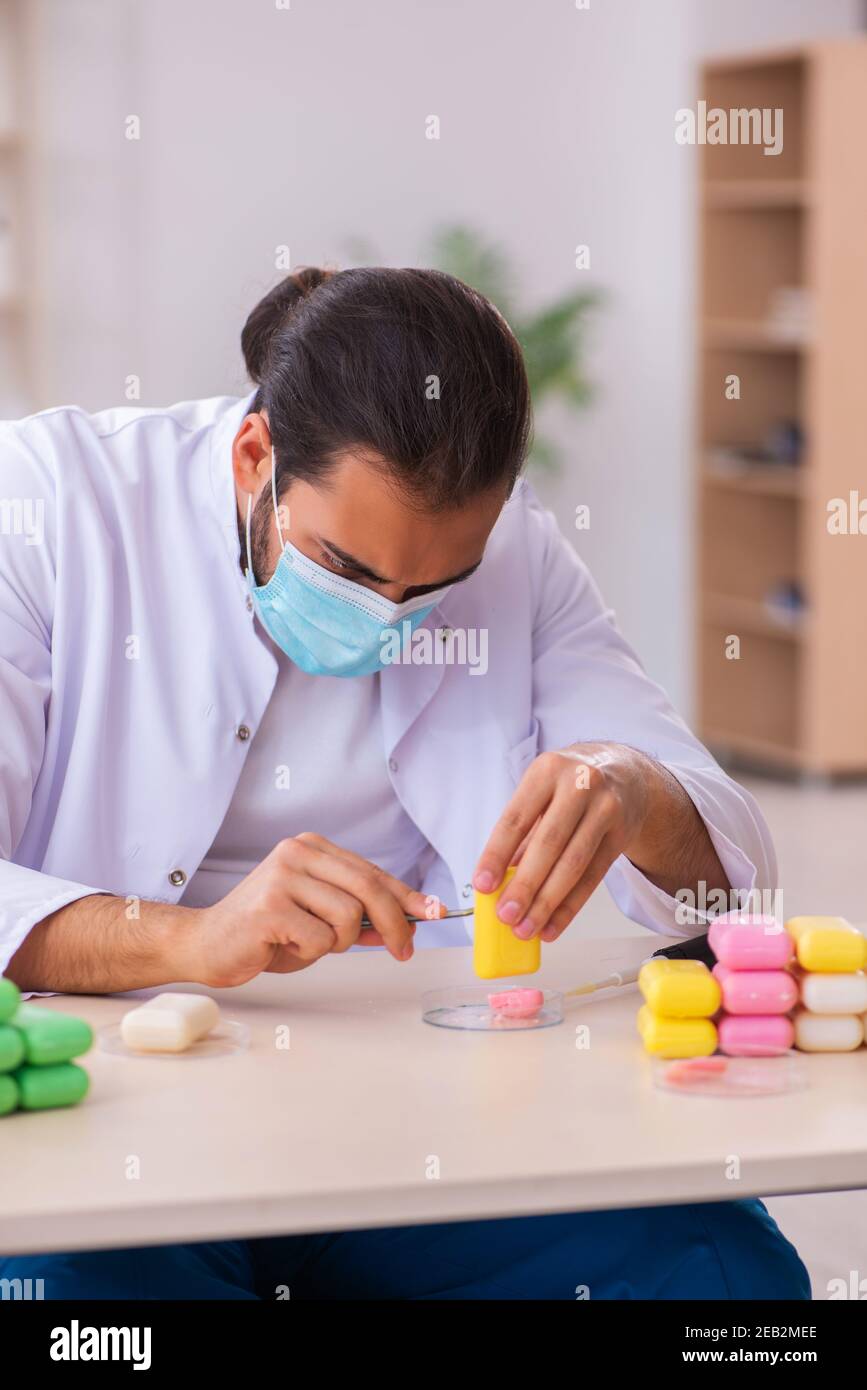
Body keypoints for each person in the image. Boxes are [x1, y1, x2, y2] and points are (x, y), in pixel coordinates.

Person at [0, 266, 808, 1299]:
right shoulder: (52, 507)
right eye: (347, 568)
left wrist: (631, 787)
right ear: (257, 459)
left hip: (438, 1118)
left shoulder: (518, 557)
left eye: (433, 588)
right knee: (69, 1303)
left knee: (728, 1280)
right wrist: (190, 939)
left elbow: (725, 873)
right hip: (124, 1113)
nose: (387, 616)